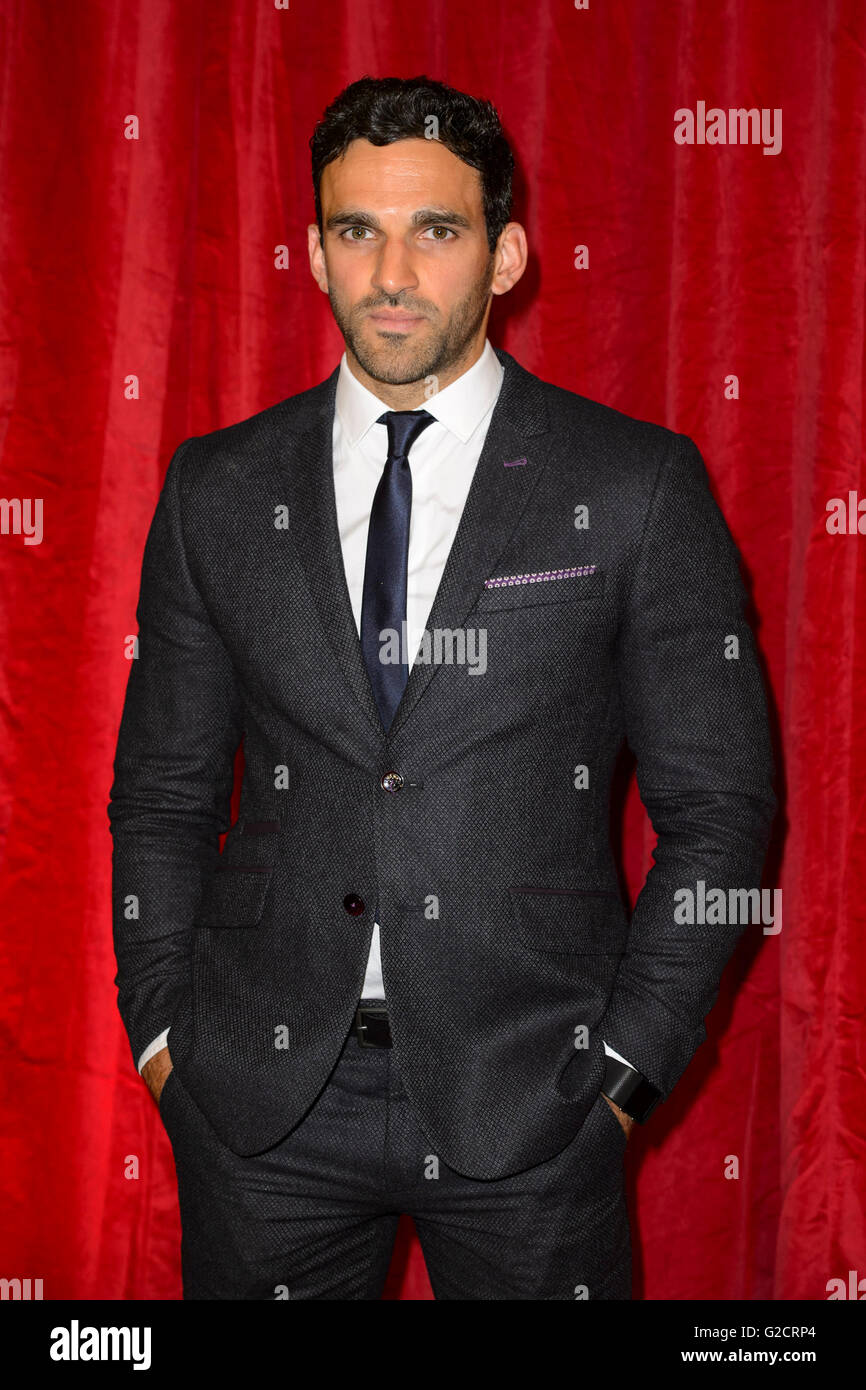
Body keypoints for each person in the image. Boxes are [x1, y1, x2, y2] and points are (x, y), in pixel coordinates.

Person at [108, 74, 776, 1300]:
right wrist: (164, 1040)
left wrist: (623, 1074)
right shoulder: (215, 488)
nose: (391, 271)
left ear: (507, 253)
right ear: (313, 254)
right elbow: (160, 790)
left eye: (437, 228)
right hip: (261, 1113)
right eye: (356, 230)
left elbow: (722, 815)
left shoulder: (634, 487)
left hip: (536, 1098)